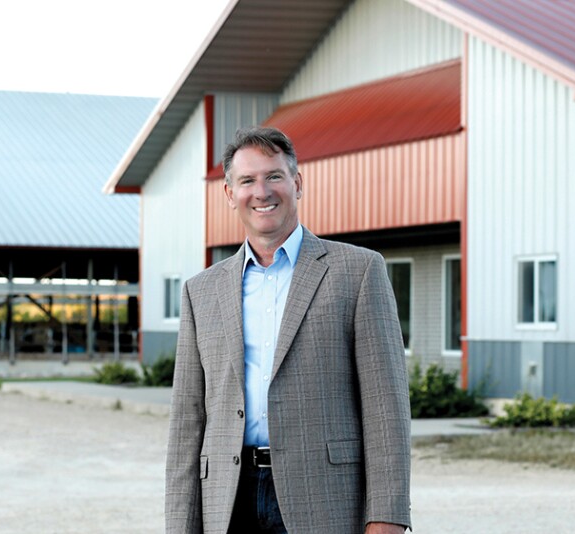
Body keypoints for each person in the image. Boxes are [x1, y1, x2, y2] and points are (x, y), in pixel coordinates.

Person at [165, 126, 411, 533]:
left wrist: (387, 517)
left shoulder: (358, 271)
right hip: (227, 500)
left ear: (297, 184)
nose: (261, 191)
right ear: (230, 194)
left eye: (273, 176)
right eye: (247, 180)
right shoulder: (201, 292)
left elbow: (386, 408)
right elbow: (187, 423)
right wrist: (180, 525)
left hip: (323, 497)